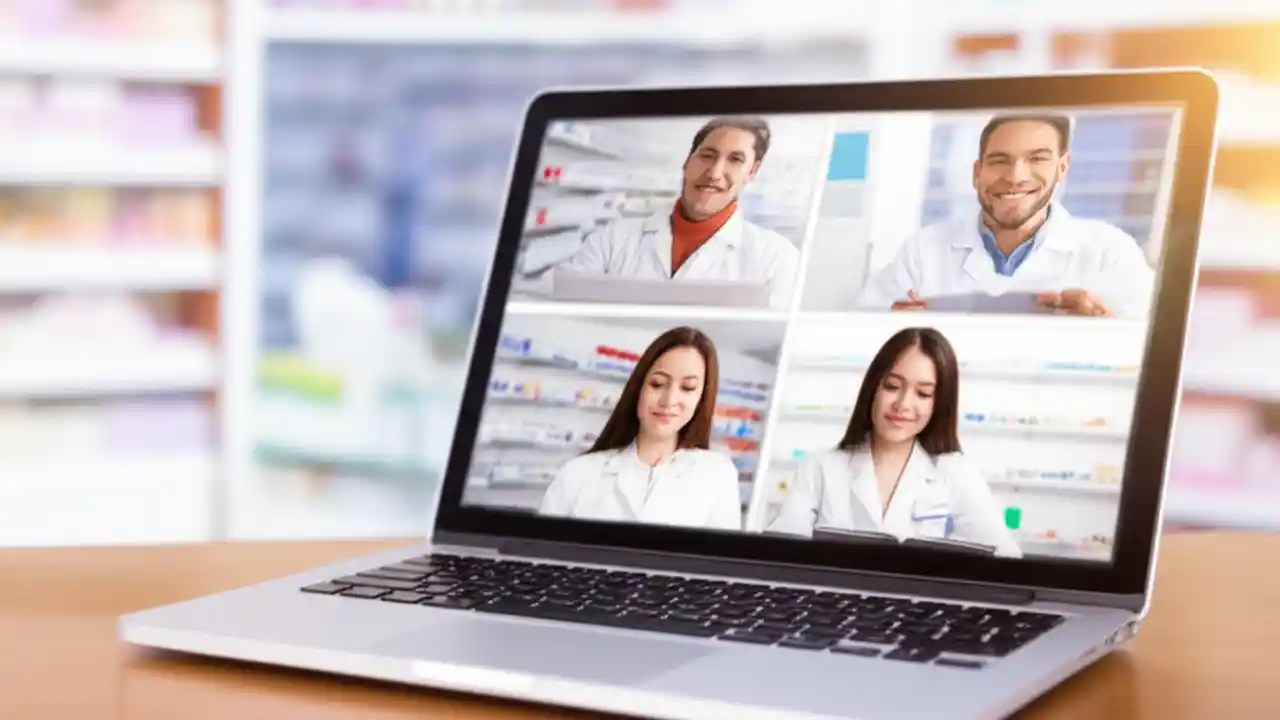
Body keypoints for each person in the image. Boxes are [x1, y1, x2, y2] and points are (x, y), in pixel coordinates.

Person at [856, 113, 1155, 318]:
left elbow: (1150, 353)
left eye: (1037, 159)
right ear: (977, 172)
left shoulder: (1111, 252)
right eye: (1000, 161)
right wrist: (891, 328)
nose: (1015, 177)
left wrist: (1104, 325)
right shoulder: (923, 251)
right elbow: (859, 331)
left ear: (1063, 167)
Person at [767, 327, 1021, 557]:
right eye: (892, 386)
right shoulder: (820, 468)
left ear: (938, 403)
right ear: (873, 389)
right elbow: (778, 554)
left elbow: (1005, 559)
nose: (903, 404)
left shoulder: (956, 473)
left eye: (923, 393)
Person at [558, 116, 800, 310]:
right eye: (707, 155)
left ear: (752, 171)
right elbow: (562, 302)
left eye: (735, 160)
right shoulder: (612, 239)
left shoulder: (776, 258)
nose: (715, 172)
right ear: (688, 160)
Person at [538, 326, 743, 530]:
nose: (669, 400)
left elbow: (720, 561)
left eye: (687, 388)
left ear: (702, 398)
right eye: (657, 384)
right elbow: (540, 550)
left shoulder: (717, 475)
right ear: (639, 388)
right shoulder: (578, 473)